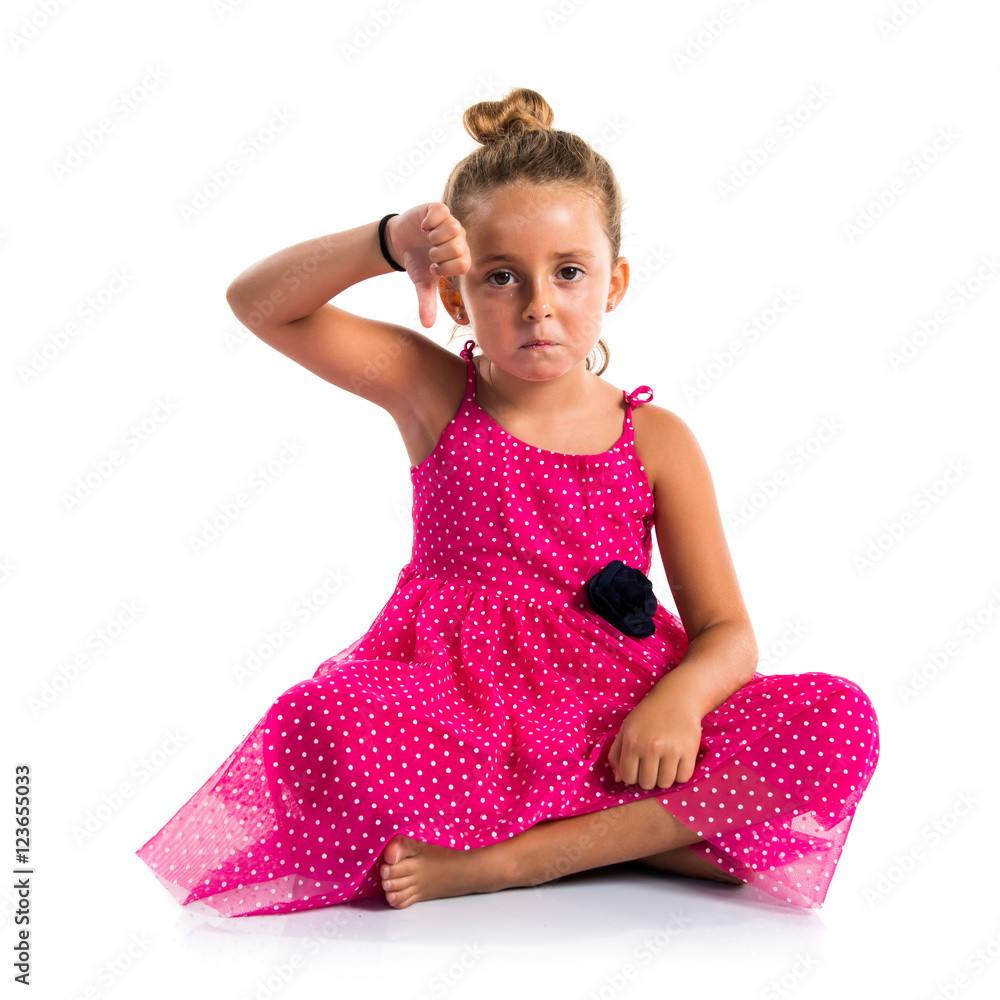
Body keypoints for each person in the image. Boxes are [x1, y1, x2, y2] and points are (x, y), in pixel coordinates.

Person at [134, 87, 879, 916]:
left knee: (839, 718)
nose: (537, 306)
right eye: (500, 278)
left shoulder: (657, 437)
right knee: (322, 717)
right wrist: (385, 242)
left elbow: (728, 634)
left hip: (619, 719)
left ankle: (512, 859)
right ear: (456, 297)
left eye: (568, 274)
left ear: (615, 283)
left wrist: (678, 702)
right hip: (467, 718)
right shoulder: (434, 392)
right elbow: (259, 304)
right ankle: (653, 840)